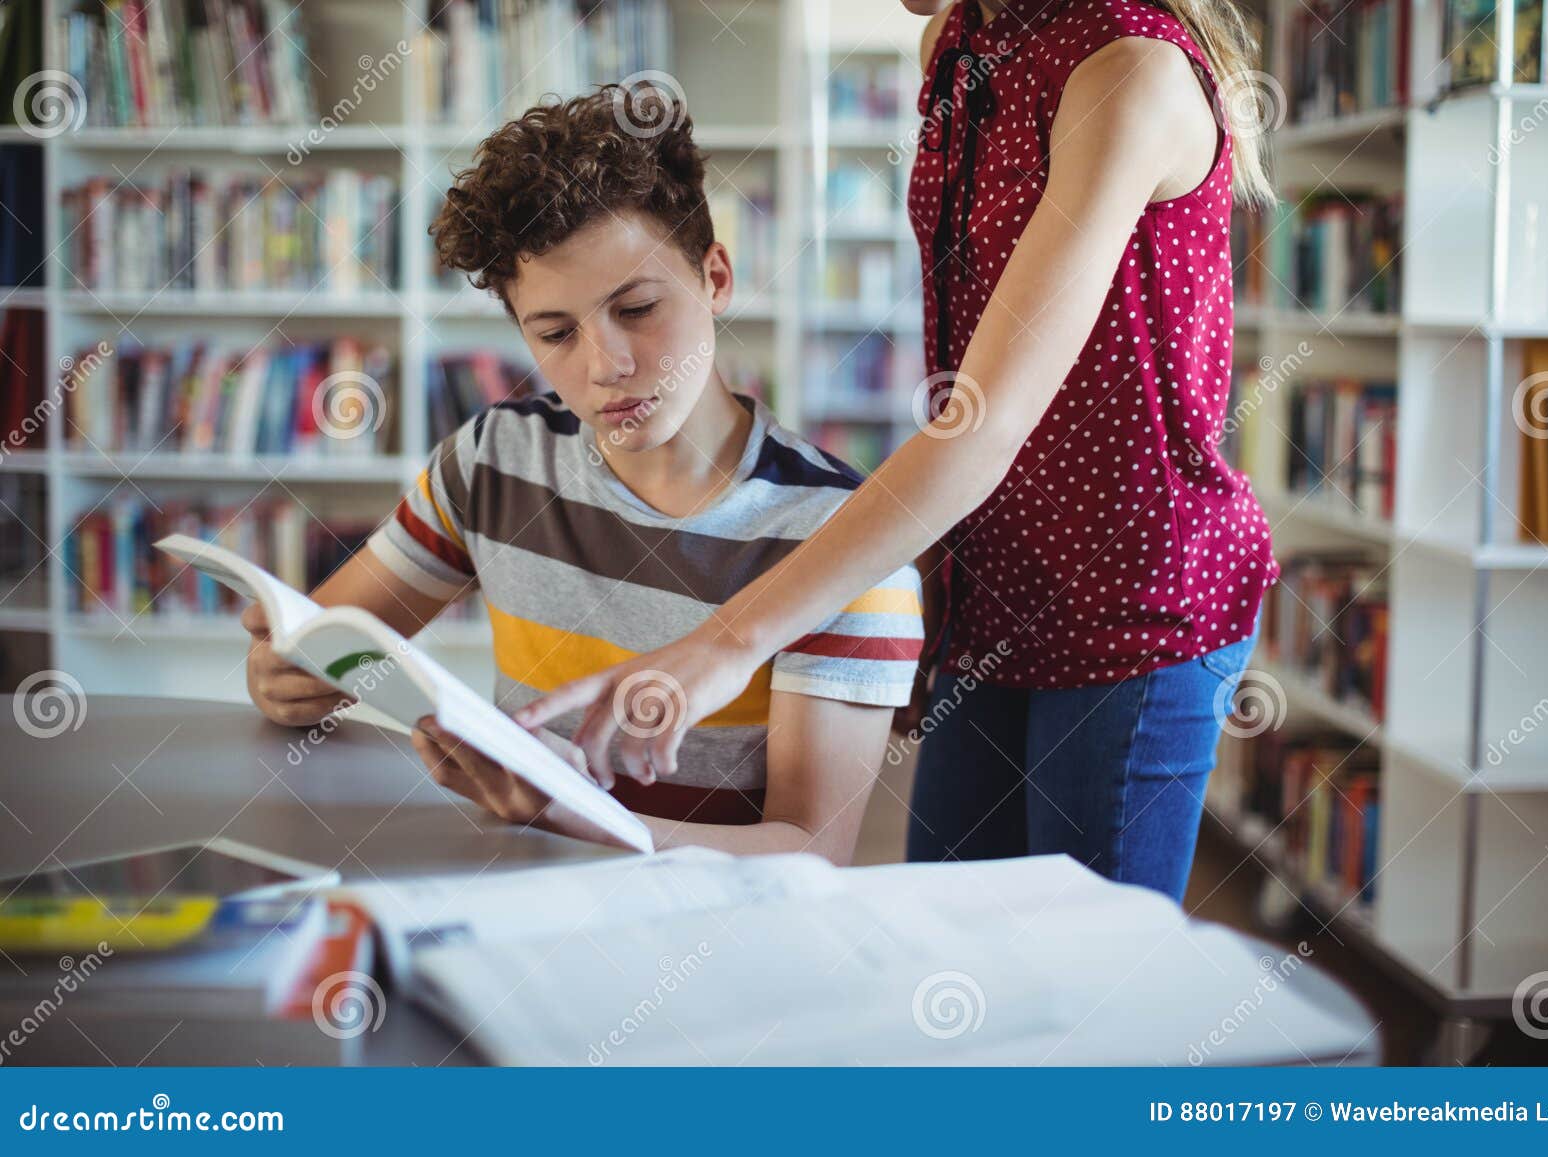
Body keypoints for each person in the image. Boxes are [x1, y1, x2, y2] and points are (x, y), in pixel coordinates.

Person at [516, 0, 1280, 902]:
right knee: (947, 948)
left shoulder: (1129, 72)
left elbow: (983, 425)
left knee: (1083, 995)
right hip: (993, 590)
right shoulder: (953, 43)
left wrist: (727, 641)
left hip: (1134, 598)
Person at [243, 87, 923, 865]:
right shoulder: (494, 461)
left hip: (714, 945)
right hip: (512, 911)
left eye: (636, 308)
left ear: (717, 278)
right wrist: (283, 678)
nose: (606, 367)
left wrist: (571, 816)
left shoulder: (847, 543)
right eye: (557, 333)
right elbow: (325, 642)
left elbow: (810, 853)